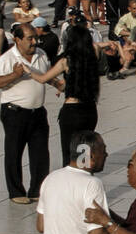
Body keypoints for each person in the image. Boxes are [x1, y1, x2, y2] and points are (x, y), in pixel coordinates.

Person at [0, 22, 55, 204]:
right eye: (29, 38)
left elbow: (46, 74)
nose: (34, 42)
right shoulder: (7, 59)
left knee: (40, 153)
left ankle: (37, 190)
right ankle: (16, 191)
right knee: (14, 151)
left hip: (38, 112)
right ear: (17, 40)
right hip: (15, 112)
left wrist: (57, 84)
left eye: (35, 37)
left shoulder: (41, 54)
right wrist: (15, 75)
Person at [28, 19, 102, 165]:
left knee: (69, 152)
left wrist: (27, 70)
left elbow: (43, 79)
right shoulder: (93, 57)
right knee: (84, 151)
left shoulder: (66, 61)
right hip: (90, 110)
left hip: (72, 111)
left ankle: (69, 182)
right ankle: (83, 179)